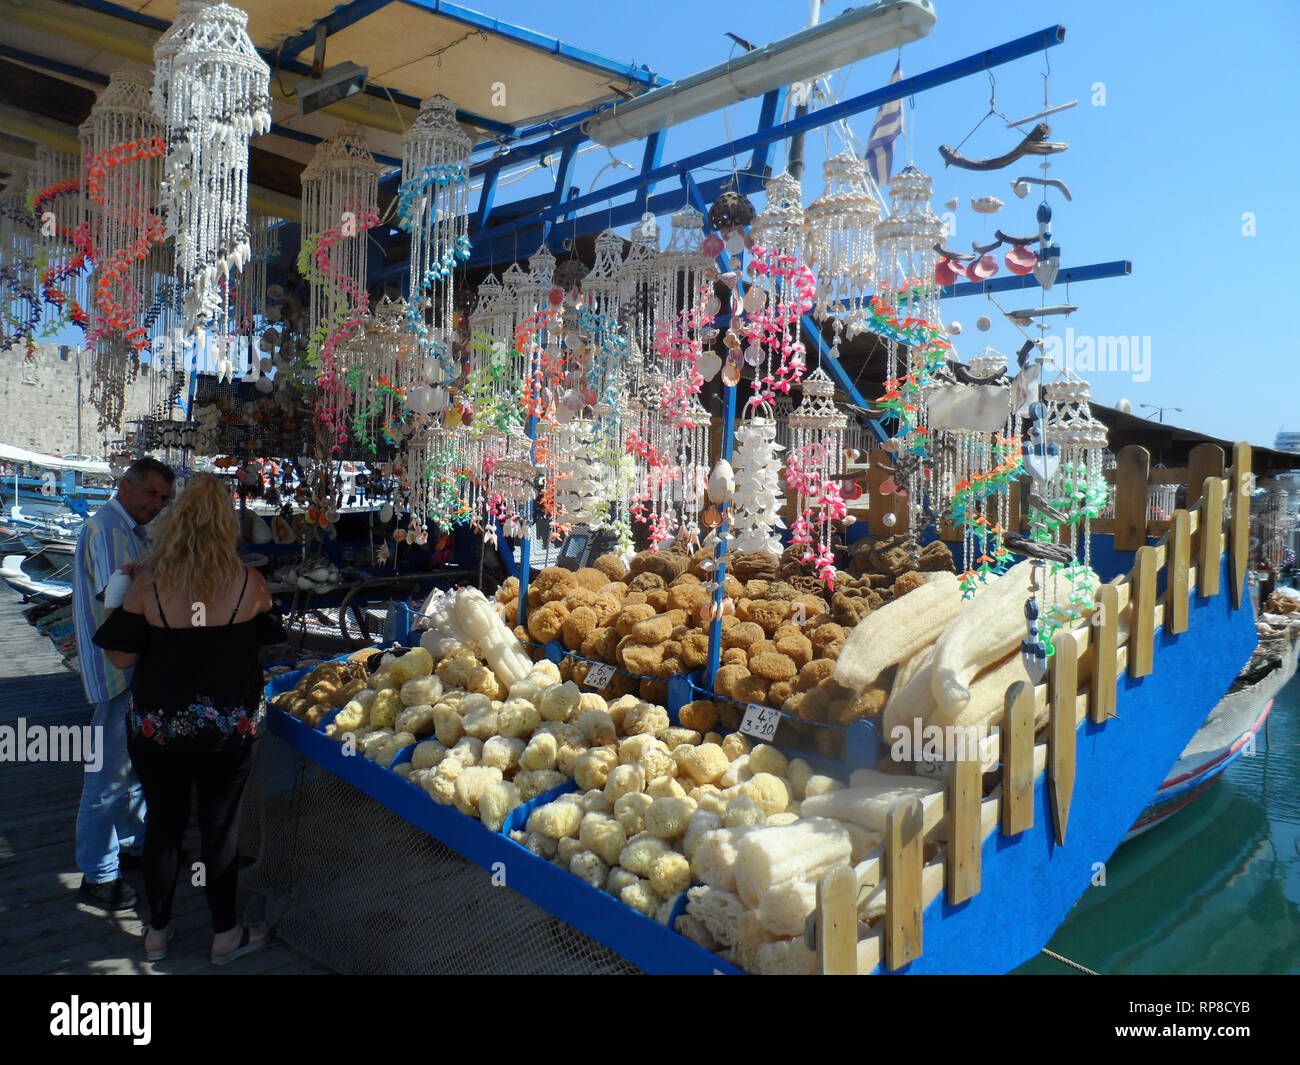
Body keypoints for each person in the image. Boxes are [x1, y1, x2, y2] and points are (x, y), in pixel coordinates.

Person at [93, 473, 284, 964]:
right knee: (220, 828)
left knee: (164, 825)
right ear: (226, 526)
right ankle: (225, 934)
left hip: (159, 728)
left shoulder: (149, 585)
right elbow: (264, 636)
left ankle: (157, 932)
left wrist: (121, 594)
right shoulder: (250, 583)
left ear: (176, 522)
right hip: (227, 729)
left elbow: (119, 659)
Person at [72, 456, 175, 913]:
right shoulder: (111, 531)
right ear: (127, 486)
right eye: (151, 493)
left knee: (129, 770)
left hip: (128, 667)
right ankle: (98, 874)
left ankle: (132, 846)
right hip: (118, 669)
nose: (156, 504)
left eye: (163, 499)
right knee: (108, 775)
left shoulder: (127, 530)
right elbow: (121, 602)